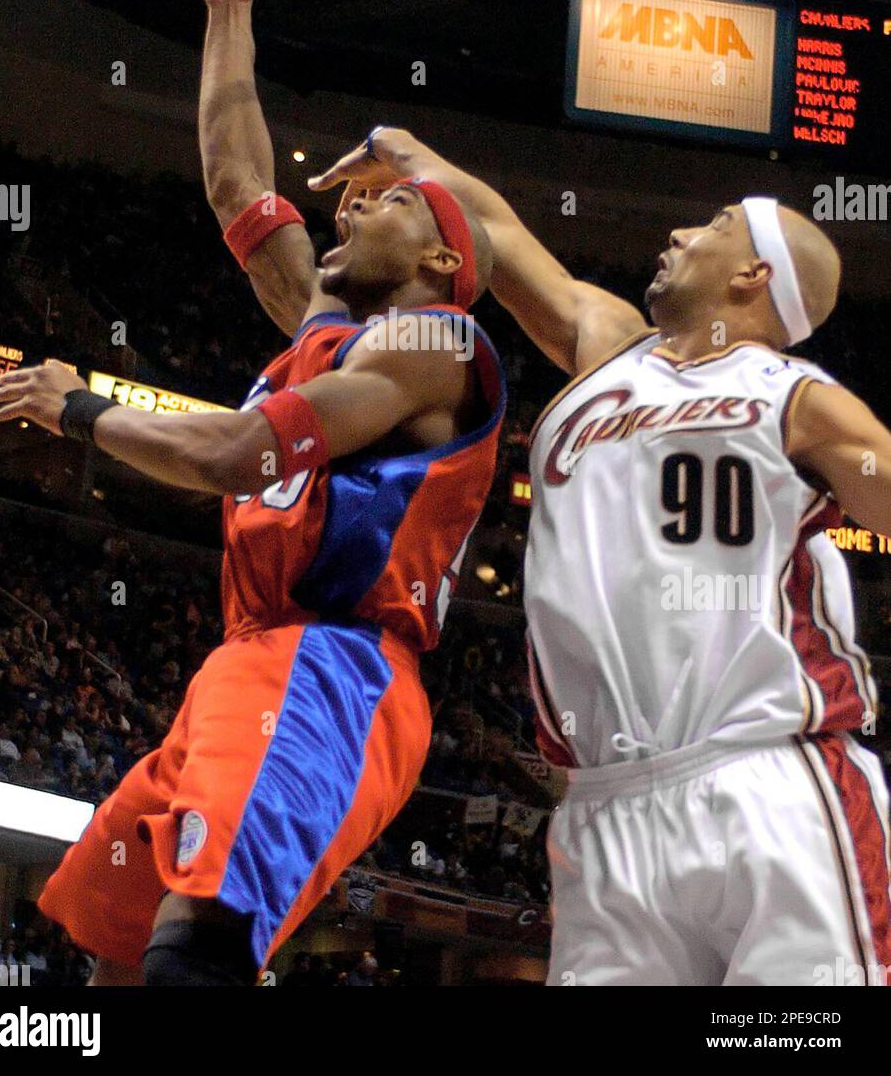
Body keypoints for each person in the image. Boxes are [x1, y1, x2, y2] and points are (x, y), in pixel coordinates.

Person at [0, 0, 504, 987]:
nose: (350, 209)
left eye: (387, 203)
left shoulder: (431, 344)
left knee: (195, 952)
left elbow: (239, 455)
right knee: (112, 951)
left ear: (445, 259)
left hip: (333, 667)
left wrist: (84, 409)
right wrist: (228, 9)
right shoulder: (329, 330)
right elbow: (235, 180)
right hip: (252, 656)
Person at [310, 128, 891, 987]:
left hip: (767, 780)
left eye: (713, 227)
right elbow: (498, 236)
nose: (679, 235)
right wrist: (411, 156)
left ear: (753, 276)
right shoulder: (612, 350)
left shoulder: (799, 399)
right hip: (603, 807)